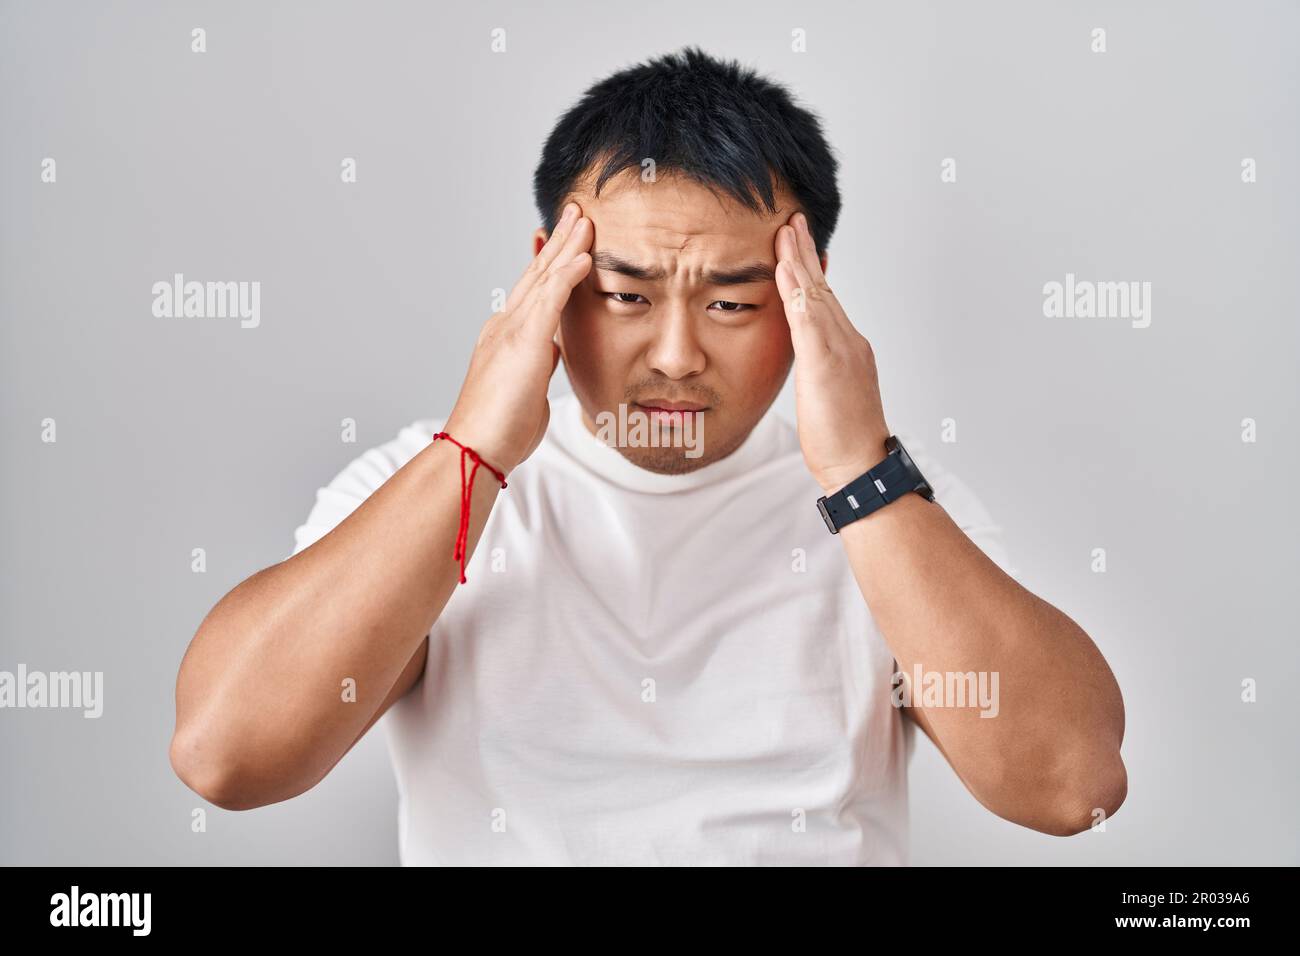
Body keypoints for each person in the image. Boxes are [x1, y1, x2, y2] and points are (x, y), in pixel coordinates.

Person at [170, 46, 1126, 865]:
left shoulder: (890, 508)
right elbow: (227, 757)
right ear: (549, 278)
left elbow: (1071, 786)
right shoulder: (422, 489)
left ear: (809, 296)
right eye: (626, 296)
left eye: (732, 303)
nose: (675, 354)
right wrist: (474, 449)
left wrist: (858, 477)